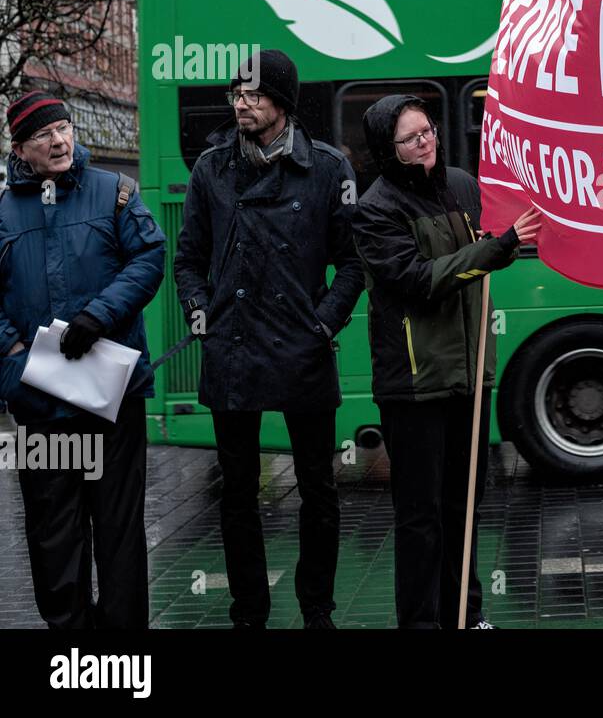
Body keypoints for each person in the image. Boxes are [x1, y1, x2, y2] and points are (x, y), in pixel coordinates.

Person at [173, 50, 366, 629]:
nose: (241, 103)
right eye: (236, 94)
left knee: (319, 489)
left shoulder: (330, 169)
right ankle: (248, 610)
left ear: (282, 103)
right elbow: (187, 260)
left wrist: (324, 323)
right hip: (232, 349)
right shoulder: (211, 169)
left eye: (254, 95)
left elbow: (352, 265)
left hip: (302, 348)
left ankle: (317, 609)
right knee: (238, 494)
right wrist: (199, 310)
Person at [352, 96, 541, 629]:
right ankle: (421, 623)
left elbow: (498, 228)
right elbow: (419, 282)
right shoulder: (375, 209)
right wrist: (494, 250)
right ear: (388, 151)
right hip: (415, 384)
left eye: (428, 130)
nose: (426, 141)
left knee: (464, 509)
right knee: (421, 517)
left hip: (469, 375)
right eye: (411, 138)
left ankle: (467, 615)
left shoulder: (461, 185)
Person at [0, 90, 166, 628]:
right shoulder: (2, 212)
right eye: (44, 134)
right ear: (20, 148)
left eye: (64, 127)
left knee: (118, 529)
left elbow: (149, 256)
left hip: (111, 396)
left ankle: (121, 649)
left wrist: (98, 316)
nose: (59, 139)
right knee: (54, 532)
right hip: (39, 401)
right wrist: (14, 355)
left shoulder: (113, 193)